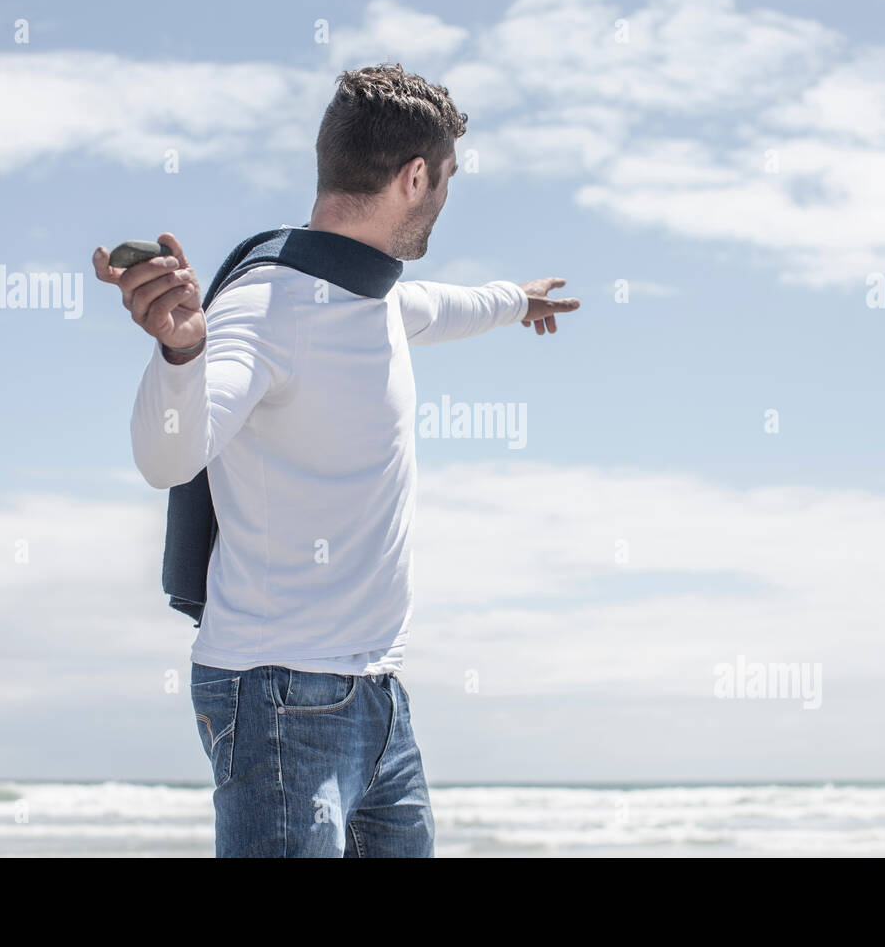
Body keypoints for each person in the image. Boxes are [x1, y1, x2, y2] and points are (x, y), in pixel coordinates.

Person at [92, 63, 580, 857]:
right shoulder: (267, 303)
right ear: (415, 176)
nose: (444, 203)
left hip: (380, 701)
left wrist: (516, 302)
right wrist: (181, 354)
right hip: (278, 698)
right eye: (446, 181)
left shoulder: (373, 296)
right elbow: (168, 457)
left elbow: (445, 305)